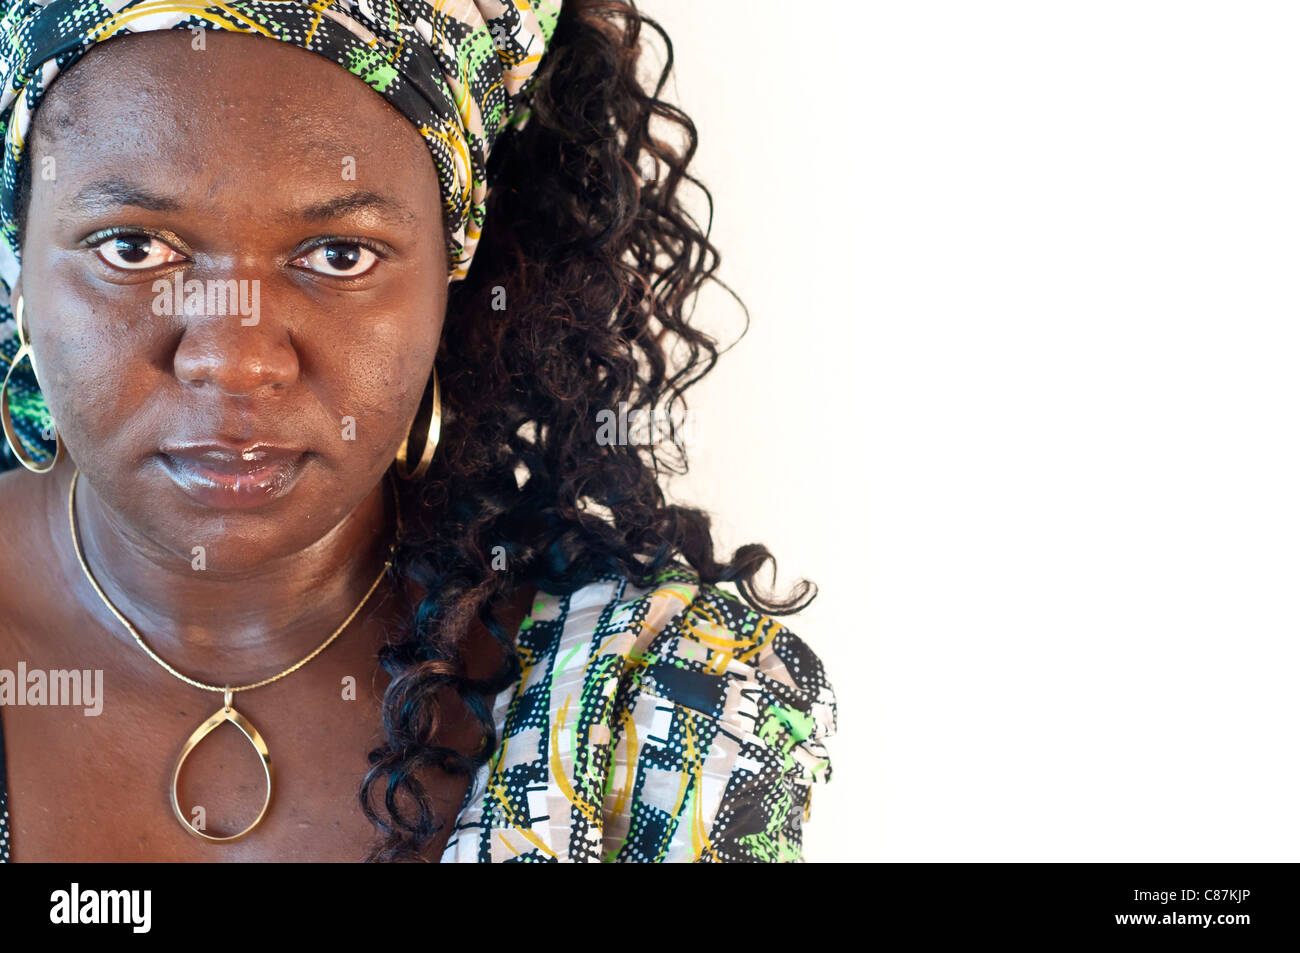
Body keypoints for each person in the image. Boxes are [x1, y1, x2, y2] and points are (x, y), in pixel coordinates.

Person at [0, 0, 836, 863]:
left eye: (337, 254)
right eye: (133, 248)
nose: (238, 359)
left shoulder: (664, 716)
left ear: (452, 278)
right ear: (17, 265)